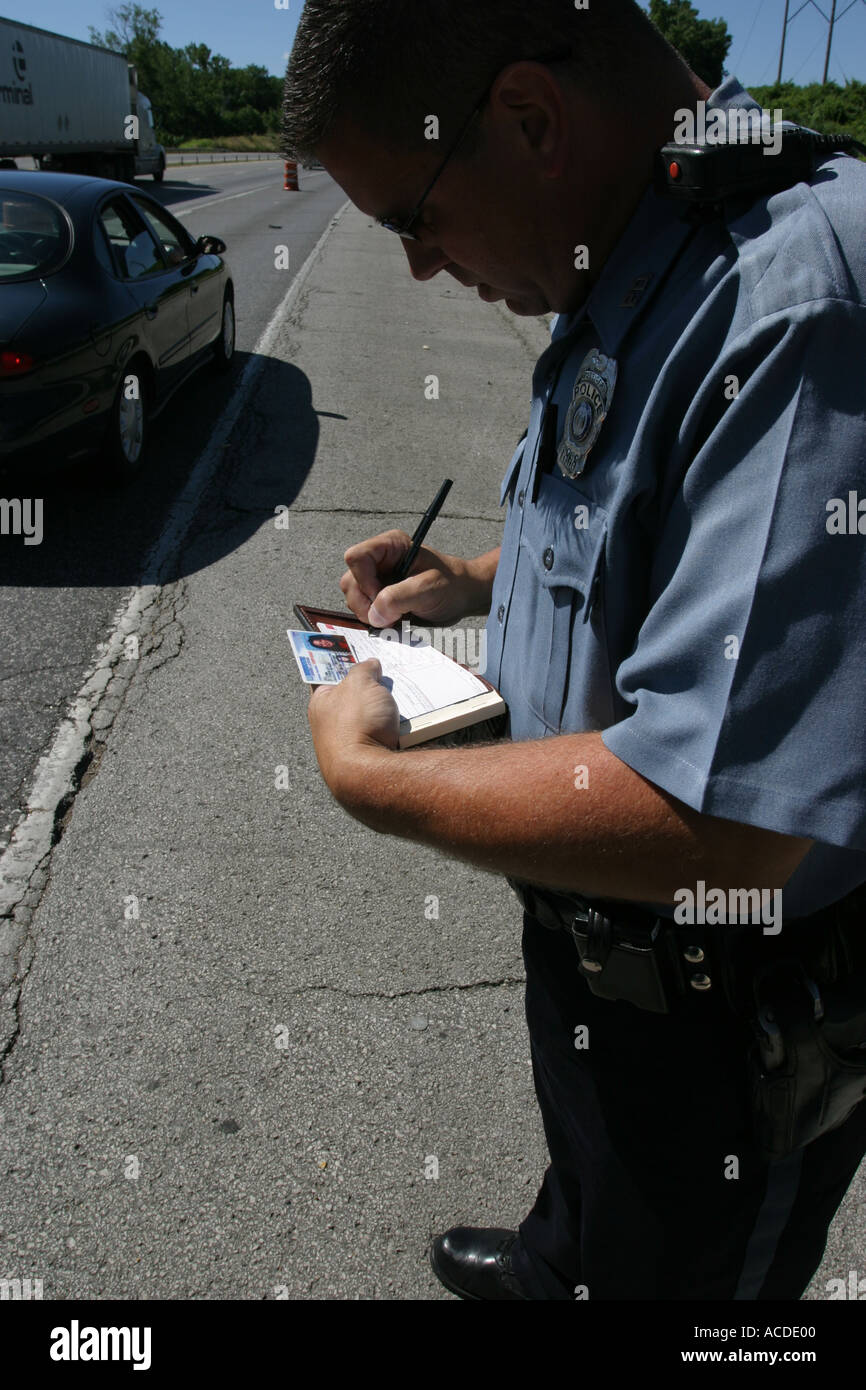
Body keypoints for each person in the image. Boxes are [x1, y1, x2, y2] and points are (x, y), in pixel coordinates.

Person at [282, 0, 866, 1299]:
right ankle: (562, 1260)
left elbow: (719, 821)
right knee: (593, 1180)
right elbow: (651, 533)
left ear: (532, 119)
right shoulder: (635, 254)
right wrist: (469, 581)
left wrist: (378, 778)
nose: (421, 268)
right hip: (600, 949)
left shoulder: (794, 301)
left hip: (726, 1013)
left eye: (408, 220)